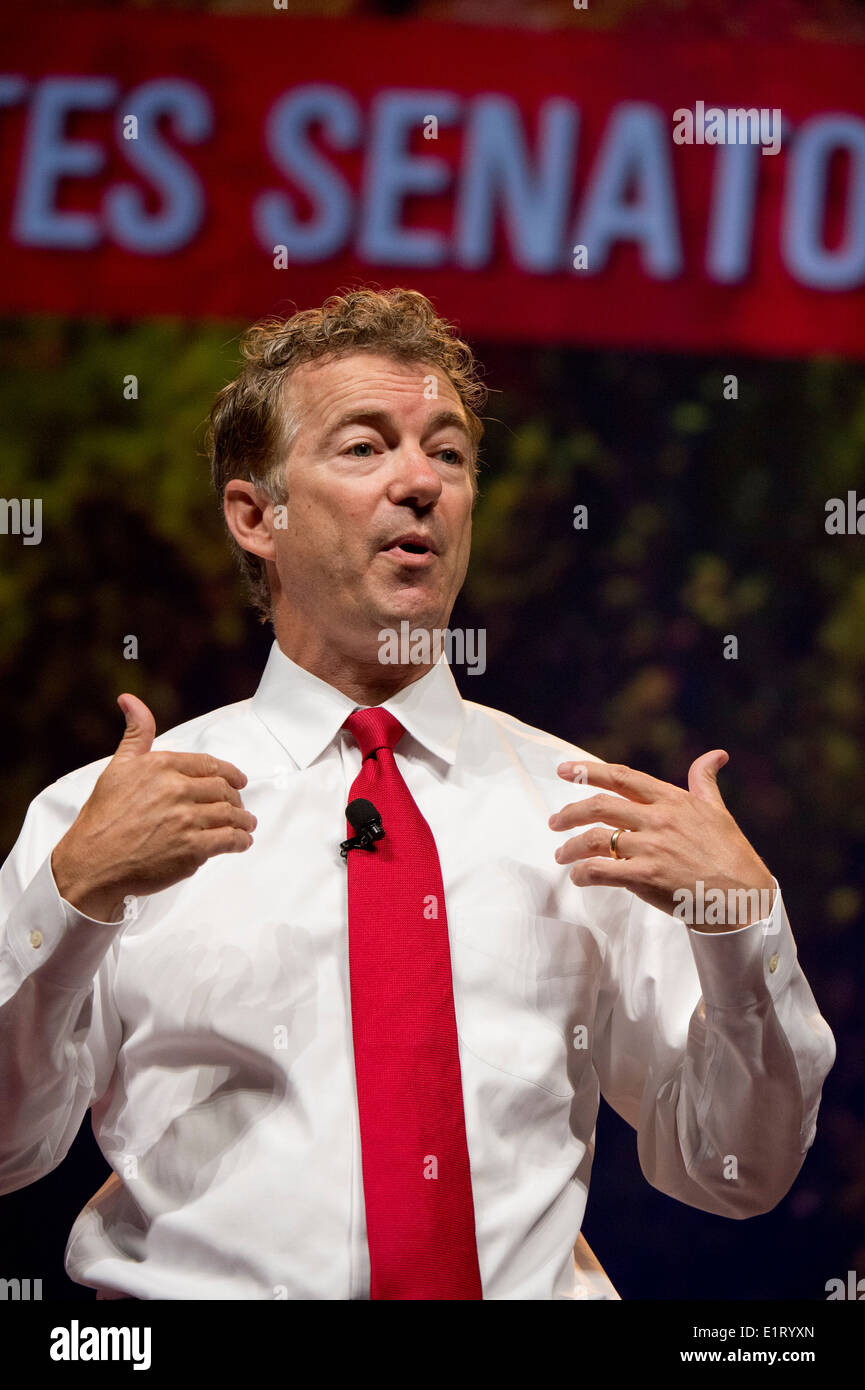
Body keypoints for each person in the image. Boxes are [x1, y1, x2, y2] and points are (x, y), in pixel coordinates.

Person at [0, 288, 835, 1301]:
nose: (420, 482)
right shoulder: (103, 818)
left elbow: (733, 1171)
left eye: (447, 452)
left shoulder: (586, 810)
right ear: (256, 514)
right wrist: (71, 896)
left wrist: (745, 926)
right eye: (363, 448)